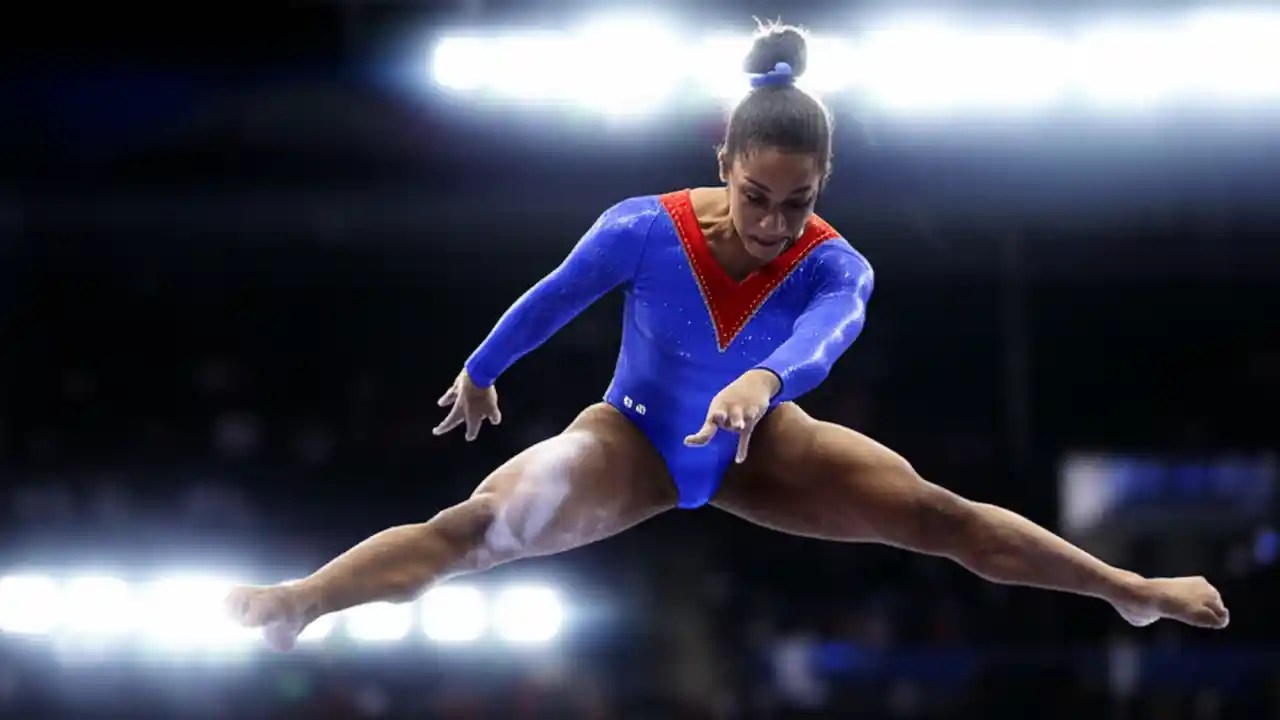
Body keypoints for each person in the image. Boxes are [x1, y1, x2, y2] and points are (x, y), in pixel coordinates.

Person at [226, 21, 1228, 652]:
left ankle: (1128, 590)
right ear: (723, 160)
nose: (774, 221)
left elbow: (821, 344)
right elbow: (555, 295)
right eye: (756, 195)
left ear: (820, 188)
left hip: (760, 446)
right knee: (478, 530)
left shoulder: (836, 263)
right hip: (633, 439)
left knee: (941, 515)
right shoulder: (641, 227)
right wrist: (484, 370)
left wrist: (759, 385)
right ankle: (301, 601)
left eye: (798, 202)